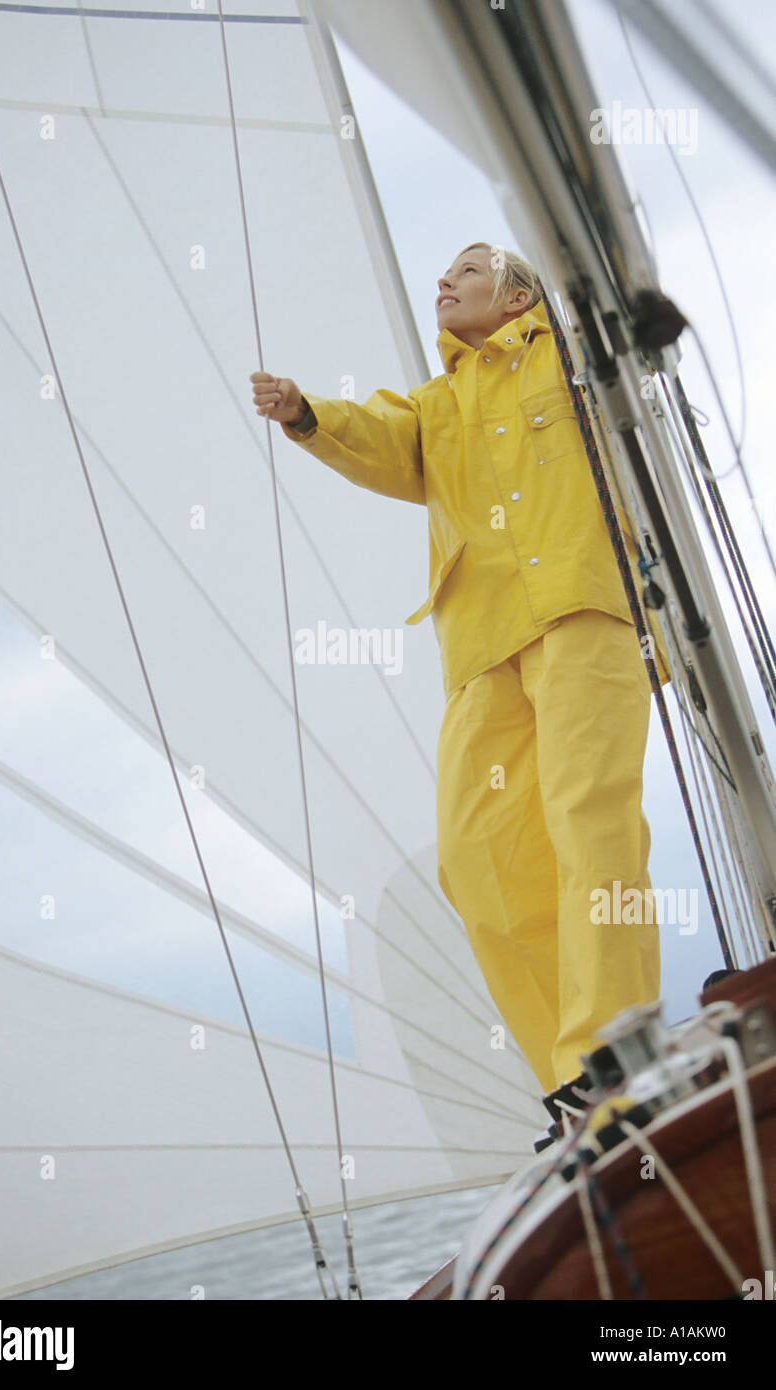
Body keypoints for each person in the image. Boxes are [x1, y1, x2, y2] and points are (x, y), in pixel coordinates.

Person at [249, 243, 670, 1114]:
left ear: (517, 292)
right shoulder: (436, 406)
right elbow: (377, 438)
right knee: (477, 859)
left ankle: (615, 1051)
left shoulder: (574, 356)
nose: (443, 283)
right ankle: (573, 1081)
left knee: (588, 823)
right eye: (442, 275)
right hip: (481, 642)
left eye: (466, 271)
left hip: (584, 610)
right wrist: (304, 414)